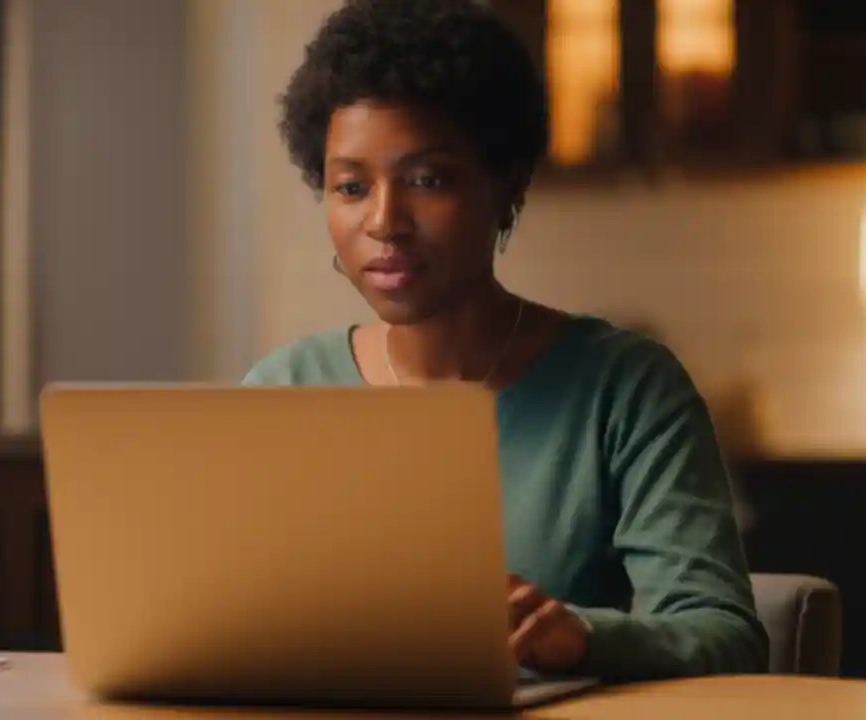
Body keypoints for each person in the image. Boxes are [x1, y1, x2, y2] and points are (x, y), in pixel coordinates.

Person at [242, 0, 767, 680]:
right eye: (350, 186)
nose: (384, 221)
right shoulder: (279, 391)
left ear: (506, 181)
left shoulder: (626, 388)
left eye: (427, 180)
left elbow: (725, 636)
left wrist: (579, 636)